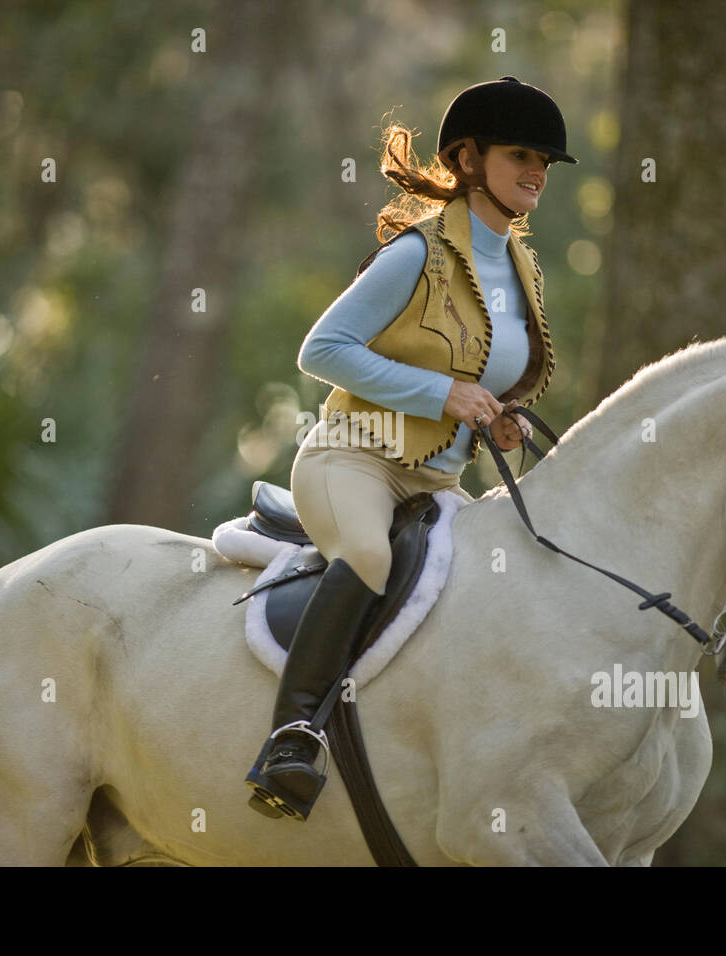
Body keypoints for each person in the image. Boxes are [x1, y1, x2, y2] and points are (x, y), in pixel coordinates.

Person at [244, 76, 576, 821]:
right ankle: (290, 740)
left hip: (434, 481)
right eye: (522, 154)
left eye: (546, 162)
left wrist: (499, 422)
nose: (537, 173)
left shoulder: (523, 268)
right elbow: (321, 349)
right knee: (368, 556)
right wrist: (442, 395)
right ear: (469, 157)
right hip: (352, 458)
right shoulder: (415, 254)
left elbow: (485, 381)